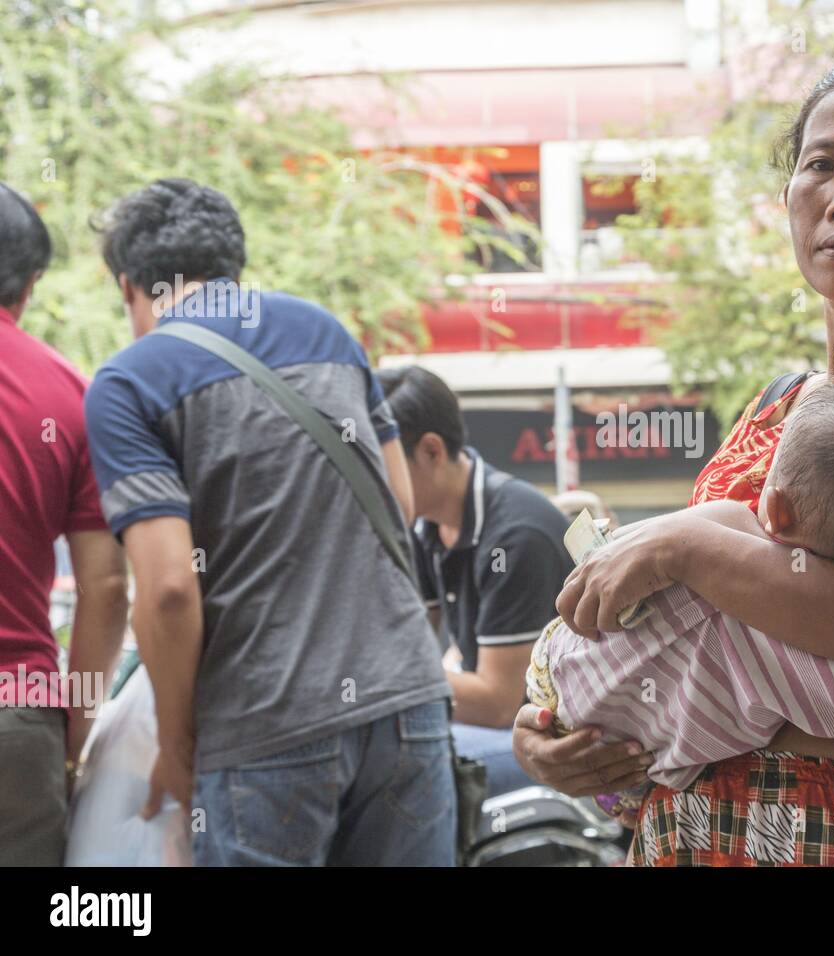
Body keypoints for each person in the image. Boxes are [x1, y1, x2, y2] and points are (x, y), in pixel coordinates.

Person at [513, 52, 834, 866]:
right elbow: (679, 646)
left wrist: (688, 546)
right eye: (819, 165)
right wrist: (552, 739)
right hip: (687, 836)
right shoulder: (772, 410)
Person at [84, 179, 455, 866]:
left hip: (264, 728)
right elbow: (399, 506)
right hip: (406, 702)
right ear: (233, 266)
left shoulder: (128, 382)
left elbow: (168, 589)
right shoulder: (328, 333)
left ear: (130, 286)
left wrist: (176, 746)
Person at [527, 376, 834, 862]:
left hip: (562, 680)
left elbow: (603, 565)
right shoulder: (810, 661)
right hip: (704, 804)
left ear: (772, 505)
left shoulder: (717, 520)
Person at [0, 183, 129, 866]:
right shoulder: (69, 393)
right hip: (14, 718)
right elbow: (106, 588)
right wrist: (70, 739)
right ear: (30, 283)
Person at [378, 365, 574, 797]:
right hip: (503, 729)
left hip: (553, 745)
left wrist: (369, 672)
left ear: (431, 451)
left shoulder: (515, 535)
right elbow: (406, 642)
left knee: (399, 766)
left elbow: (497, 702)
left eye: (380, 466)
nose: (372, 485)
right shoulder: (426, 527)